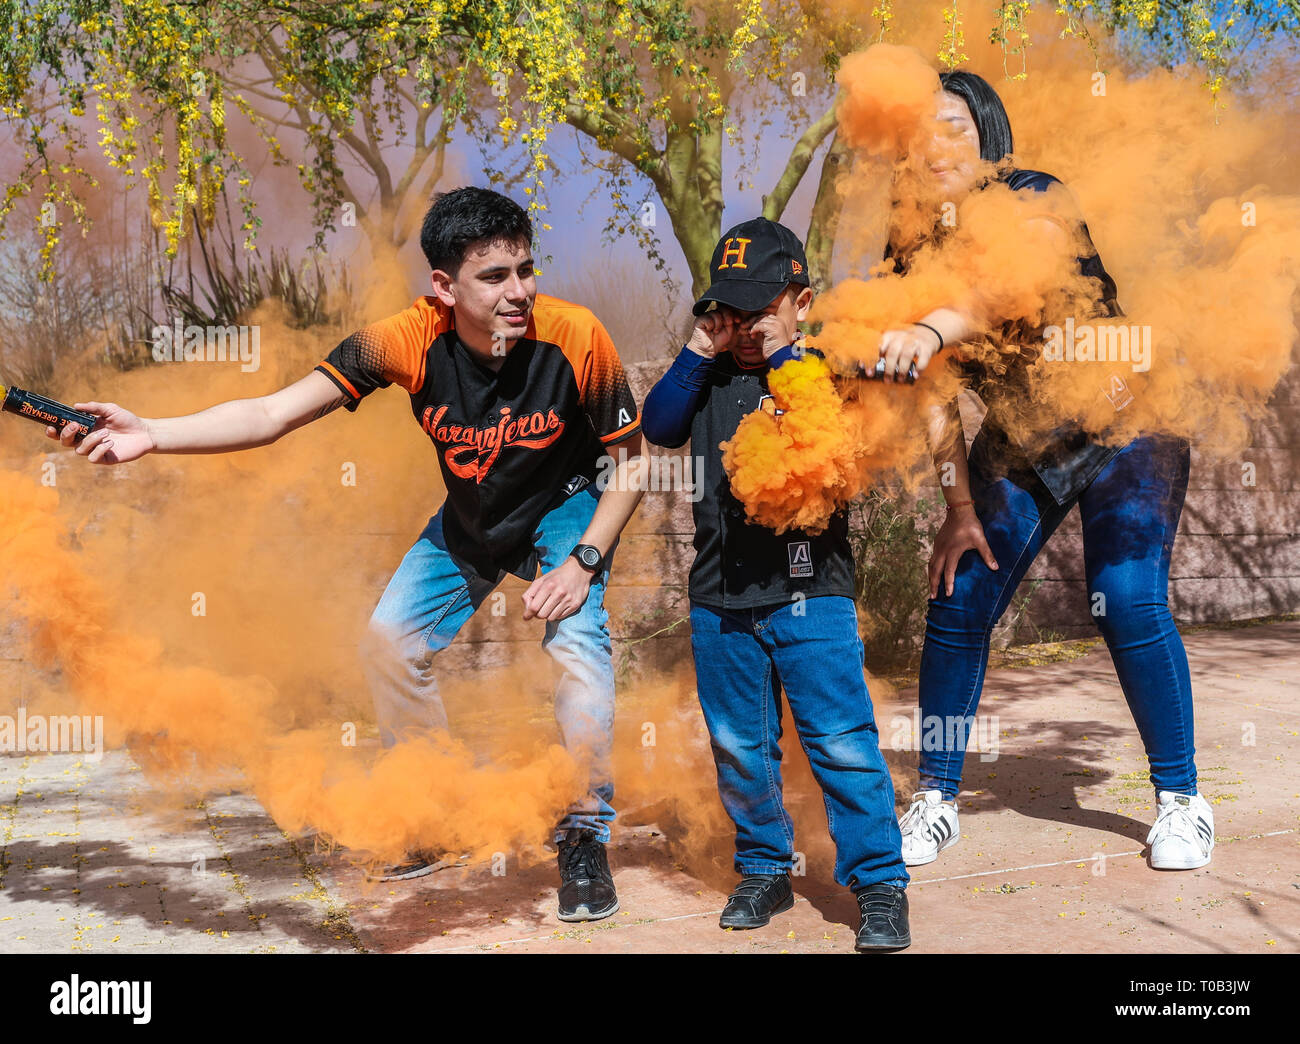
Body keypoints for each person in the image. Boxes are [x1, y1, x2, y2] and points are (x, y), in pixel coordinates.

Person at [51, 186, 650, 921]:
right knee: (388, 643)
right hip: (472, 520)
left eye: (527, 269)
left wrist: (583, 561)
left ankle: (584, 832)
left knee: (580, 647)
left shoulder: (577, 336)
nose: (519, 292)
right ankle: (431, 818)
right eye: (494, 277)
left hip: (566, 513)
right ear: (443, 286)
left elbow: (634, 461)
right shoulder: (399, 340)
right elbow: (271, 413)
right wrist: (152, 432)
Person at [872, 72, 1212, 872]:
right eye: (917, 132)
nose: (933, 145)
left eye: (952, 126)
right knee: (957, 593)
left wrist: (929, 325)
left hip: (1129, 417)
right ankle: (936, 797)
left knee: (1126, 598)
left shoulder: (1035, 195)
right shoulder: (906, 247)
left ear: (988, 132)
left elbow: (1000, 293)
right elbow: (933, 393)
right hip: (1026, 442)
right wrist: (958, 507)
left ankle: (1183, 800)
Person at [641, 218, 911, 952]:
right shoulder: (711, 374)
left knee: (841, 741)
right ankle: (764, 868)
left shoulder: (824, 373)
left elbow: (848, 451)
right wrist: (702, 348)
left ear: (801, 299)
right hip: (720, 597)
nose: (747, 327)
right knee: (739, 745)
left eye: (761, 308)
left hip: (811, 593)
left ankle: (880, 884)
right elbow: (658, 426)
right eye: (731, 309)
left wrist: (792, 360)